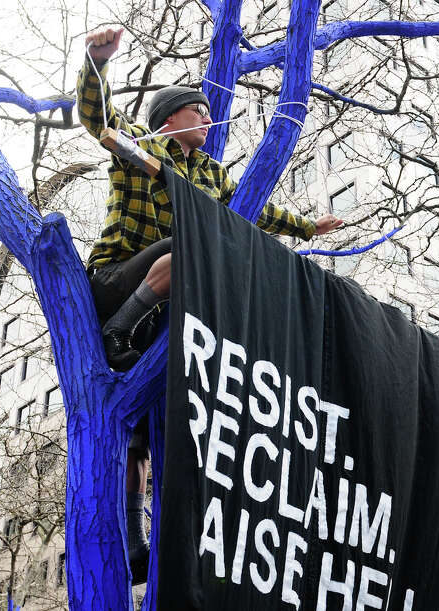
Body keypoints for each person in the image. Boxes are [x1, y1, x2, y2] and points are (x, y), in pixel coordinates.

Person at [78, 27, 343, 583]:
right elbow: (97, 119)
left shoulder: (214, 177)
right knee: (195, 243)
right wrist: (97, 63)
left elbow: (259, 214)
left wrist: (308, 228)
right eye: (196, 109)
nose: (205, 115)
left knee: (147, 430)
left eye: (206, 108)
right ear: (170, 118)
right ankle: (117, 333)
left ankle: (136, 542)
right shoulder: (142, 149)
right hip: (116, 282)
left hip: (162, 297)